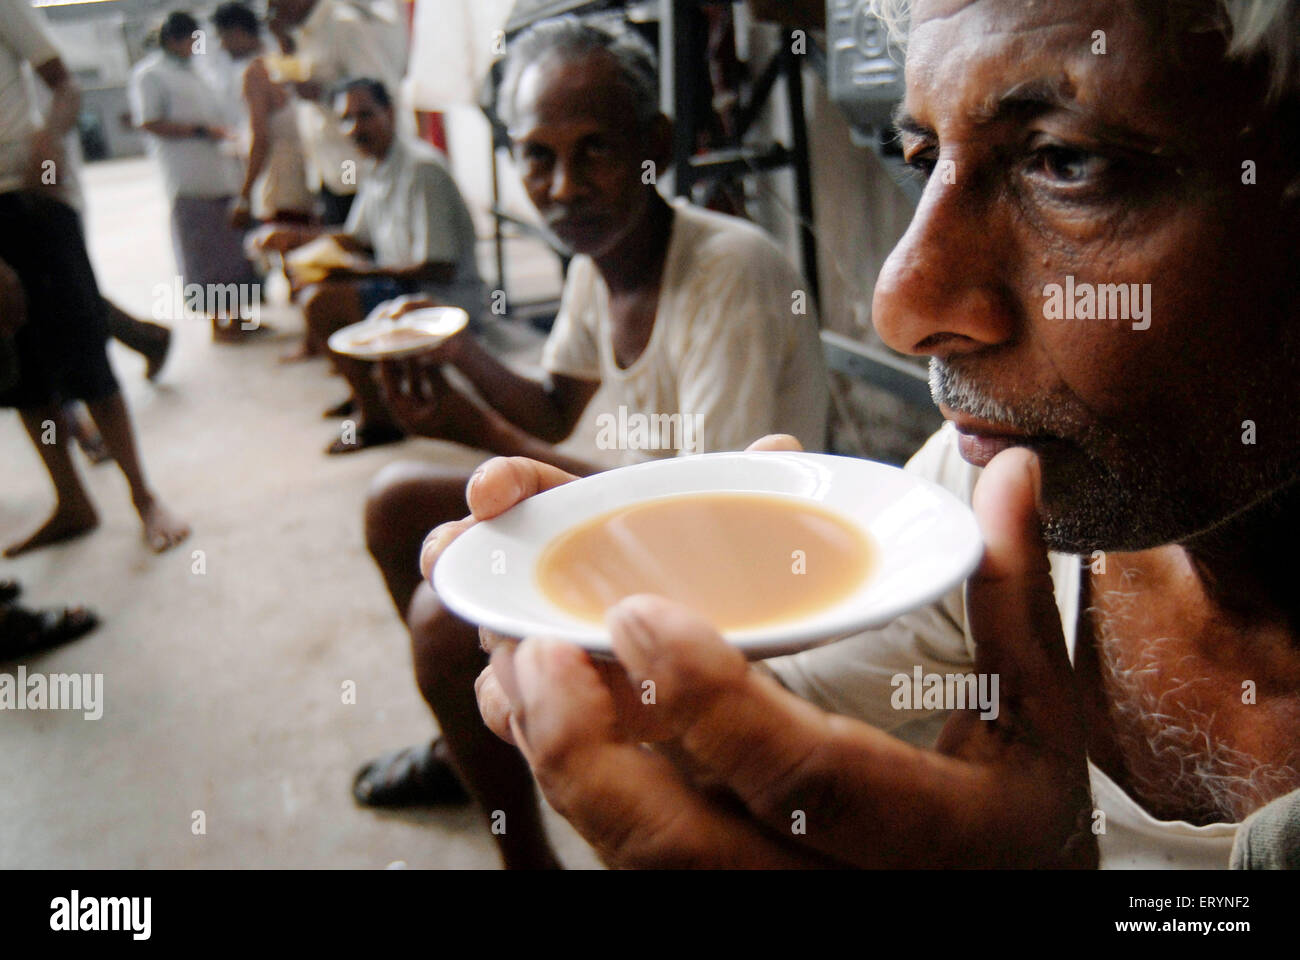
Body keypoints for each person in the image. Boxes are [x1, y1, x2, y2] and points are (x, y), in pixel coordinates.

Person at [446, 0, 1300, 869]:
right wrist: (657, 681)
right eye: (924, 158)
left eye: (1064, 161)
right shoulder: (988, 494)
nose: (899, 302)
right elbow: (776, 712)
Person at [352, 17, 830, 870]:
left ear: (654, 145)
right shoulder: (592, 259)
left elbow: (719, 509)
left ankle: (523, 853)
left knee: (441, 625)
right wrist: (451, 348)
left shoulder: (729, 269)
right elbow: (549, 409)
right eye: (537, 155)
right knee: (394, 505)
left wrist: (481, 433)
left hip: (735, 560)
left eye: (594, 150)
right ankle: (471, 733)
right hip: (652, 518)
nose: (563, 185)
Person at [0, 2, 190, 557]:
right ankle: (72, 502)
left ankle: (144, 496)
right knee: (21, 373)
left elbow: (65, 89)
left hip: (33, 199)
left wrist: (47, 140)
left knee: (85, 352)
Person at [252, 77, 484, 440]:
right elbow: (356, 238)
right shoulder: (378, 165)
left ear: (390, 113)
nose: (355, 128)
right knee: (309, 285)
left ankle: (379, 420)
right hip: (401, 286)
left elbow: (440, 267)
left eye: (365, 115)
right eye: (346, 119)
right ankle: (367, 393)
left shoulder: (421, 169)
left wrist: (352, 274)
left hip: (442, 298)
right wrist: (294, 237)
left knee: (323, 303)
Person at [129, 11, 262, 344]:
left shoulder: (199, 71)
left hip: (221, 172)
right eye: (190, 39)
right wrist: (200, 130)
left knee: (232, 252)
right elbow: (149, 121)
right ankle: (219, 325)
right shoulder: (151, 75)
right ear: (174, 39)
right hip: (189, 178)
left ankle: (242, 319)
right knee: (204, 254)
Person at [266, 0, 408, 226]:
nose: (271, 11)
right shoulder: (305, 33)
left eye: (276, 4)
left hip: (353, 170)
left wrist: (321, 93)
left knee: (362, 250)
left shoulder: (342, 25)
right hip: (328, 173)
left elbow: (376, 91)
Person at [213, 2, 314, 229]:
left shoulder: (256, 72)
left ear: (237, 32)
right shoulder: (283, 61)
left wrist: (244, 196)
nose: (221, 46)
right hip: (306, 182)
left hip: (280, 187)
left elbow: (260, 139)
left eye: (222, 37)